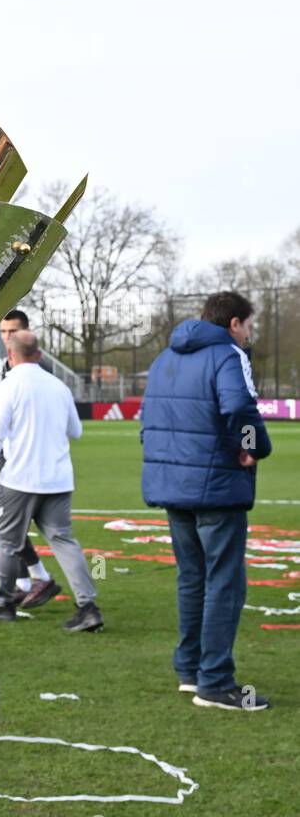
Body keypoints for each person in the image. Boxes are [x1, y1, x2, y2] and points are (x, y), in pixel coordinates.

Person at [140, 291, 272, 711]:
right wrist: (254, 446)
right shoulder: (228, 355)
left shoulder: (164, 358)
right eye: (248, 325)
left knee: (191, 577)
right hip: (215, 485)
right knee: (224, 581)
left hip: (172, 484)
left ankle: (190, 668)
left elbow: (148, 418)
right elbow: (239, 407)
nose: (249, 334)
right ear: (233, 323)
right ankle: (214, 681)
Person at [0, 330, 103, 631]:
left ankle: (4, 603)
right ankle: (88, 607)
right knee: (64, 541)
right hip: (58, 479)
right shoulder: (59, 386)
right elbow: (76, 431)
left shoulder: (7, 387)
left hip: (19, 479)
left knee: (7, 541)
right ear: (39, 355)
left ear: (10, 355)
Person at [0, 309, 57, 608]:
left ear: (26, 332)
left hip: (25, 458)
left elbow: (32, 416)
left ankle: (37, 579)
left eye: (13, 331)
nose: (7, 337)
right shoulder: (8, 367)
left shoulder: (37, 369)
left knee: (4, 520)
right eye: (4, 332)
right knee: (3, 520)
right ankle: (25, 582)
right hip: (11, 456)